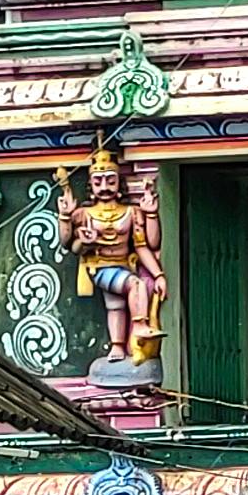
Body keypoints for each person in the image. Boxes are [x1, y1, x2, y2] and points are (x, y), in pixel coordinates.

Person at [58, 144, 166, 364]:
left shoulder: (131, 212)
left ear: (119, 183)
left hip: (123, 264)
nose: (104, 187)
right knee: (135, 285)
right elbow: (67, 243)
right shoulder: (84, 214)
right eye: (98, 182)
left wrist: (158, 275)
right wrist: (66, 217)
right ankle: (140, 325)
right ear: (91, 185)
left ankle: (117, 346)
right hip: (98, 267)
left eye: (110, 180)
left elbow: (147, 245)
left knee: (116, 305)